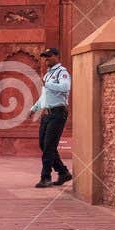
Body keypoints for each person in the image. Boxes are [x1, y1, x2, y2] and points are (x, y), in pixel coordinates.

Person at [30, 48, 72, 187]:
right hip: (47, 113)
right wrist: (34, 108)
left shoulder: (62, 72)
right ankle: (63, 172)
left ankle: (45, 177)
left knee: (49, 147)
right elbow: (45, 96)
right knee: (44, 145)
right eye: (44, 57)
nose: (46, 59)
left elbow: (65, 88)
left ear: (56, 56)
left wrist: (46, 84)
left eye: (49, 56)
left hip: (58, 113)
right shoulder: (48, 75)